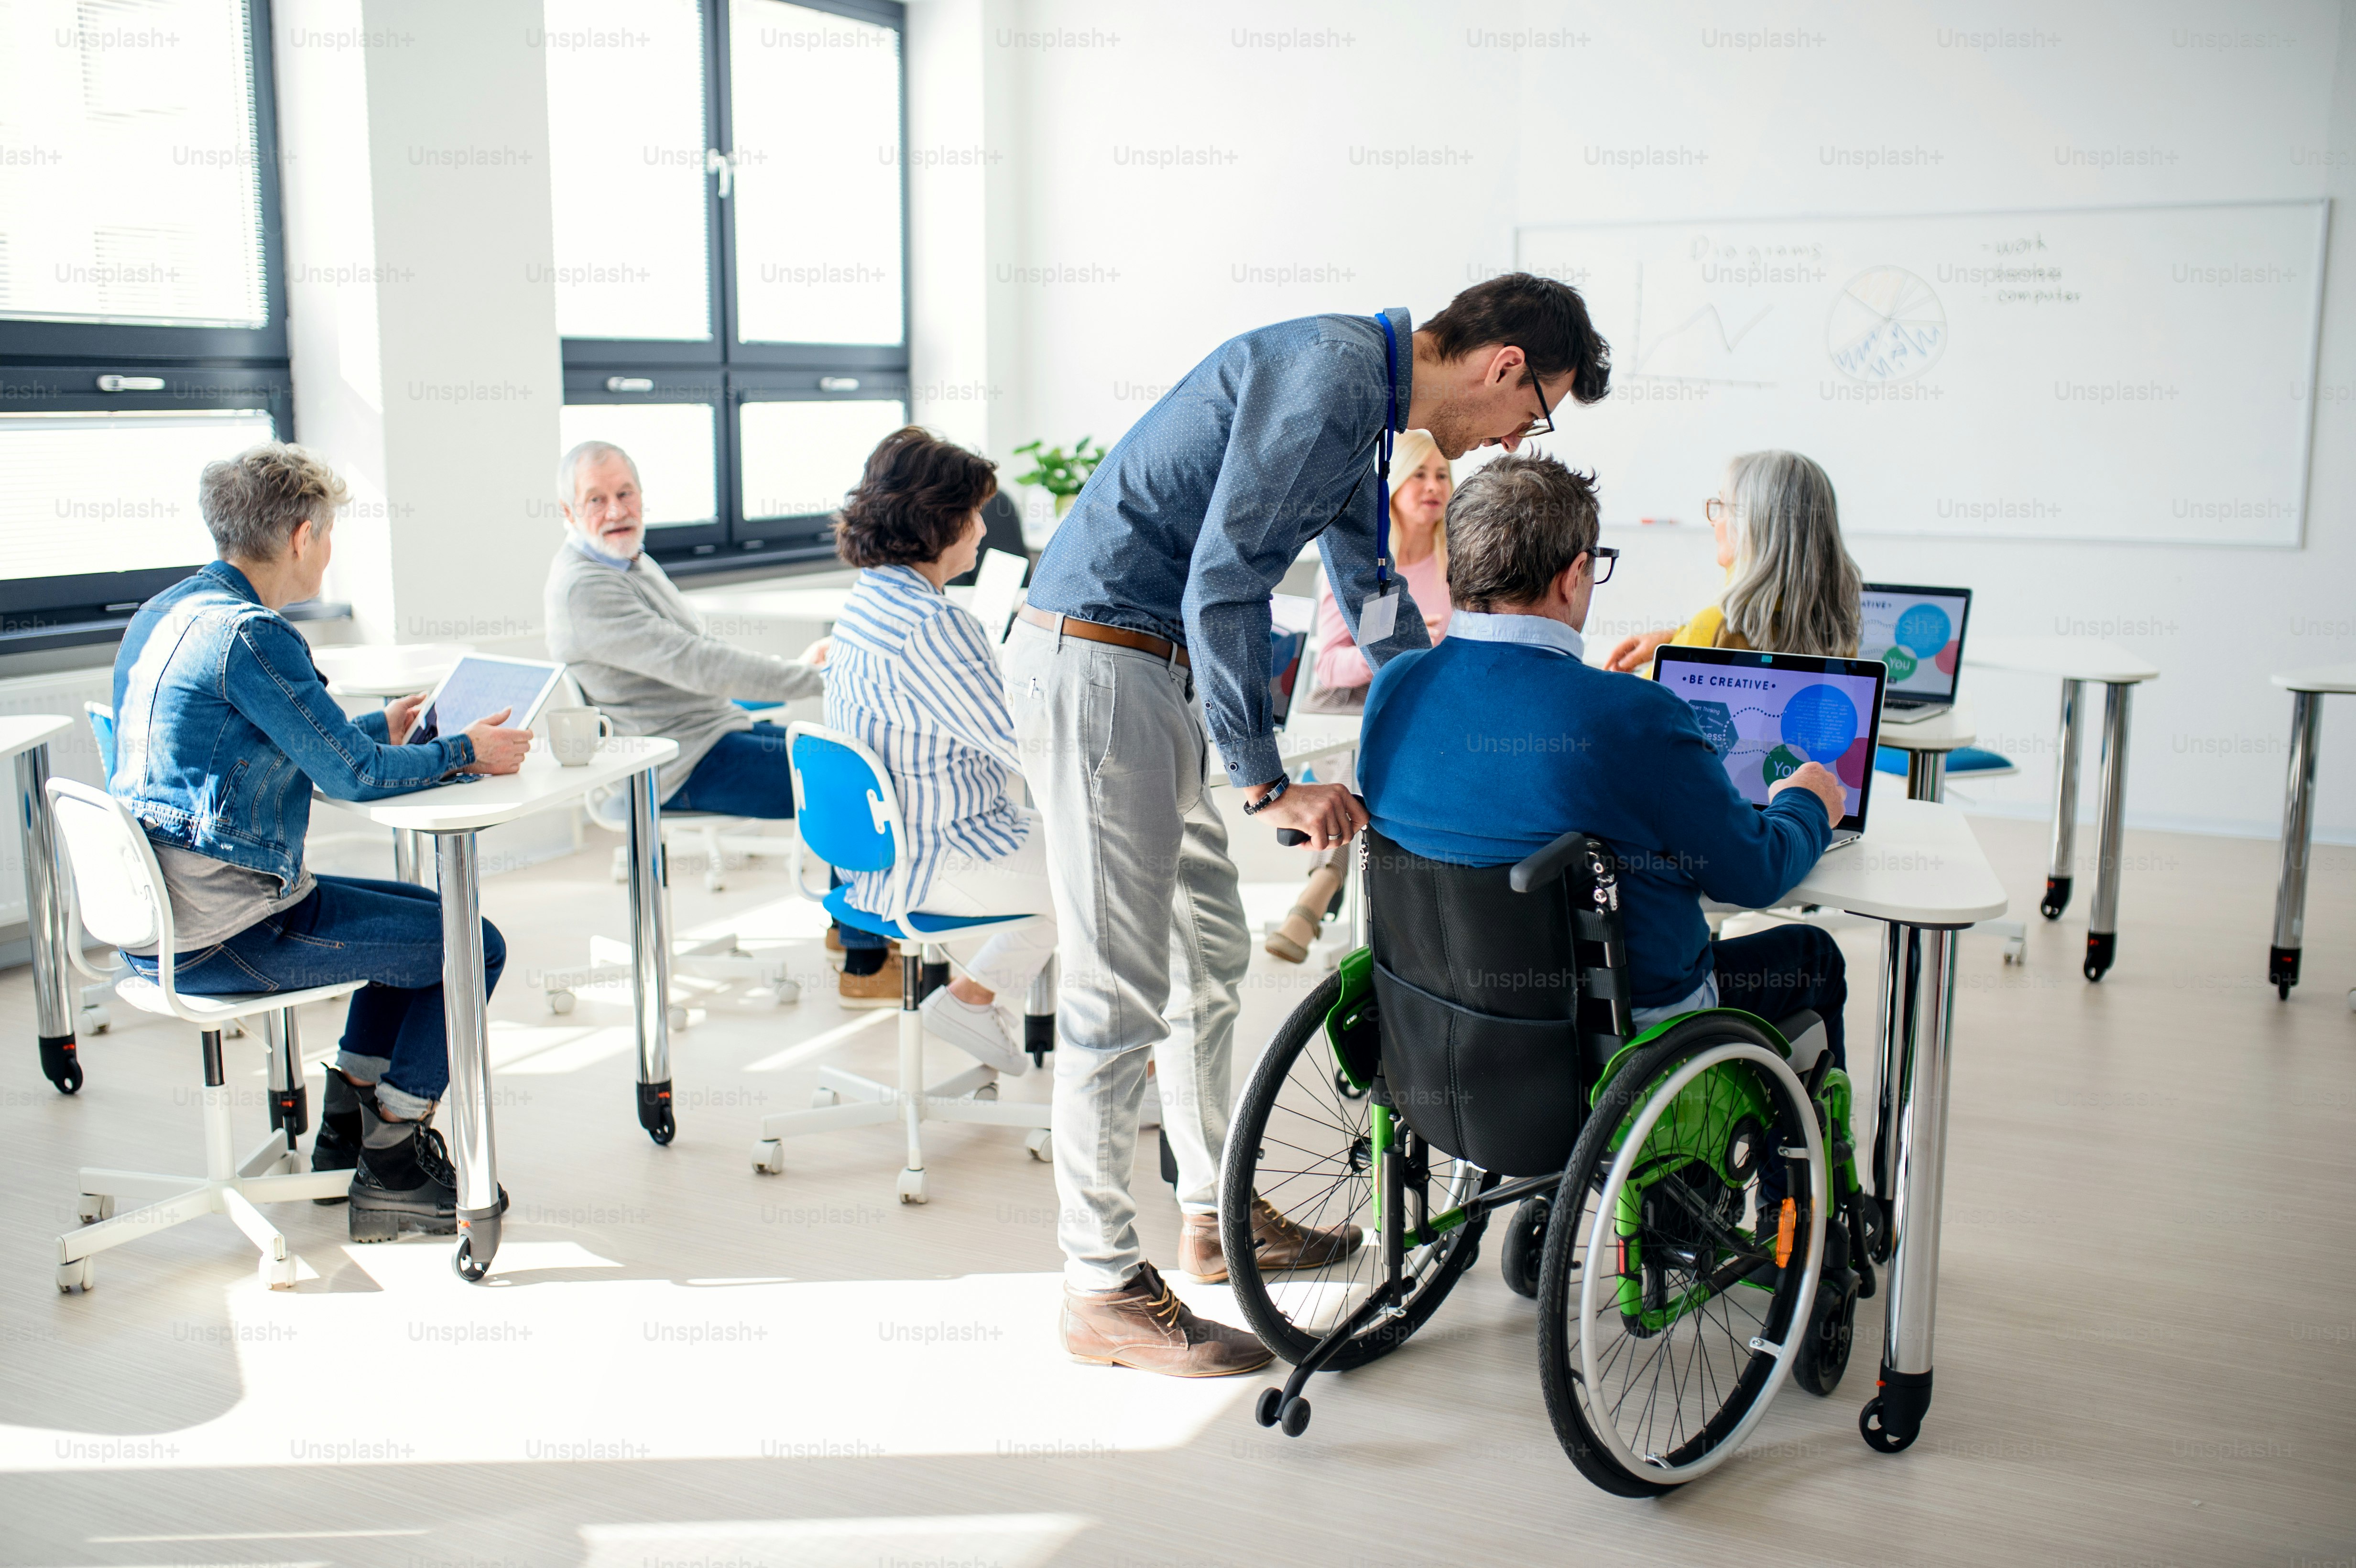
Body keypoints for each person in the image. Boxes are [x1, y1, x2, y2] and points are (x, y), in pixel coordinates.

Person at [1005, 272, 1612, 1376]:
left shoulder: (1363, 396)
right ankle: (1097, 1283)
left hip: (1156, 674)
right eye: (1535, 413)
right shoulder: (1336, 376)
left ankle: (1209, 1210)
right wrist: (1265, 781)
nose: (1510, 440)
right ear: (1503, 365)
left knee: (1212, 960)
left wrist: (1444, 691)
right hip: (1103, 667)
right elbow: (1223, 582)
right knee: (1115, 993)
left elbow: (1363, 574)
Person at [109, 442, 532, 1238]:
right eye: (330, 534)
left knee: (427, 921)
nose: (330, 552)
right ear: (303, 536)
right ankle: (395, 1158)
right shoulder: (251, 636)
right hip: (223, 932)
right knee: (472, 945)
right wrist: (465, 751)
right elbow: (352, 780)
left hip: (162, 916)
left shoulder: (169, 613)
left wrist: (383, 728)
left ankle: (346, 1133)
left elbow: (274, 748)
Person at [1359, 452, 1852, 1082]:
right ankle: (1804, 1177)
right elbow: (1753, 875)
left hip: (1445, 1029)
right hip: (1621, 1039)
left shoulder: (1396, 686)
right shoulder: (1636, 717)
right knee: (1812, 954)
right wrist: (1807, 800)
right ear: (1574, 577)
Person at [540, 439, 895, 1004]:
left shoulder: (627, 559)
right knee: (849, 781)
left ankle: (850, 929)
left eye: (625, 492)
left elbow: (691, 654)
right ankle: (865, 959)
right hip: (673, 761)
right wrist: (814, 679)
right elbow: (695, 663)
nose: (615, 510)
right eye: (596, 499)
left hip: (704, 731)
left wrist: (797, 671)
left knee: (844, 755)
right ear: (567, 513)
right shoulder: (588, 586)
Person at [824, 427, 1056, 1074]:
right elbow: (1027, 747)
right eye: (975, 514)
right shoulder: (934, 624)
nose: (983, 530)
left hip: (873, 856)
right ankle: (1137, 1079)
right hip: (936, 857)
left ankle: (972, 998)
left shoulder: (871, 599)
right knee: (1115, 876)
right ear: (940, 521)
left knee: (1081, 859)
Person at [1266, 428, 1454, 964]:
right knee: (1351, 766)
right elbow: (1329, 664)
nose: (1432, 486)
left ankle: (1322, 890)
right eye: (1418, 472)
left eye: (1441, 474)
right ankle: (1324, 881)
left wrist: (1432, 647)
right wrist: (1396, 647)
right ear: (1393, 486)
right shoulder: (1366, 568)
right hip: (1344, 703)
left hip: (1413, 705)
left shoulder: (1454, 567)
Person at [1603, 449, 1863, 673]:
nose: (1715, 520)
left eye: (1723, 506)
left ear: (1752, 526)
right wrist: (1677, 639)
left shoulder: (1718, 628)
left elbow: (1638, 711)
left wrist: (1689, 639)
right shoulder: (1838, 632)